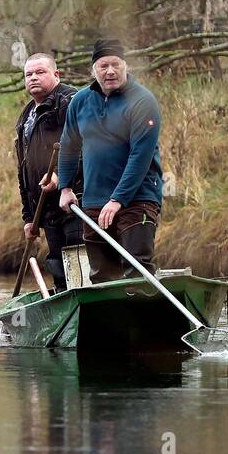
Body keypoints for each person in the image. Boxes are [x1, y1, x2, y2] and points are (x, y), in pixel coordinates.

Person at [57, 38, 164, 282]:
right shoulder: (80, 101)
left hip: (138, 199)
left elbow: (141, 157)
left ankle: (143, 316)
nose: (110, 71)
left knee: (137, 270)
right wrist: (65, 186)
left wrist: (118, 199)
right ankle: (109, 320)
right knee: (102, 276)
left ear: (125, 66)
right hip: (94, 200)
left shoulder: (143, 101)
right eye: (103, 66)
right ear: (93, 70)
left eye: (116, 64)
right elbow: (69, 146)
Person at [15, 52, 78, 292]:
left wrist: (63, 178)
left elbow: (85, 146)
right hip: (47, 206)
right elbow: (24, 171)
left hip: (75, 201)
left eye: (40, 72)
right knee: (58, 266)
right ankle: (65, 315)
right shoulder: (26, 117)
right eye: (28, 74)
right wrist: (29, 217)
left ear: (56, 74)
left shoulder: (70, 101)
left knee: (79, 260)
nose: (33, 78)